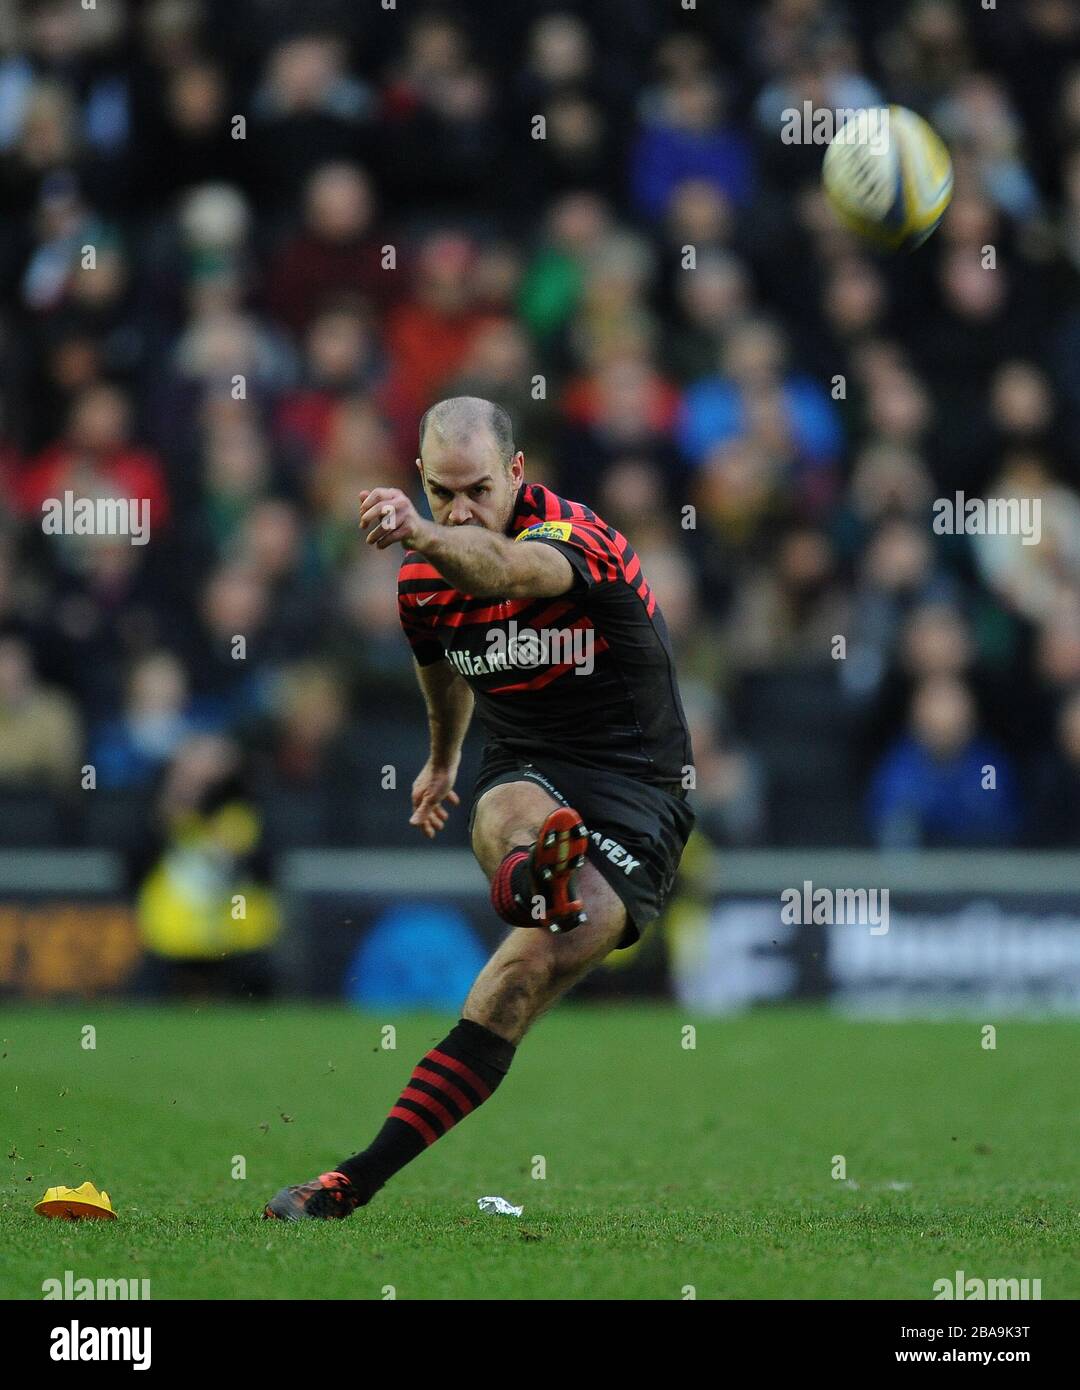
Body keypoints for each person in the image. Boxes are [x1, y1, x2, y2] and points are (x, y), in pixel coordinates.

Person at [264, 395, 696, 1219]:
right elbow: (442, 663)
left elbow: (503, 571)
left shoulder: (577, 537)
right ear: (420, 480)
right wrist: (439, 758)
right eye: (441, 493)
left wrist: (423, 532)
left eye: (478, 491)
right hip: (528, 764)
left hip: (641, 788)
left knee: (519, 979)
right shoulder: (422, 583)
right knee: (507, 820)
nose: (461, 510)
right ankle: (349, 1184)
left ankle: (536, 883)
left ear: (518, 475)